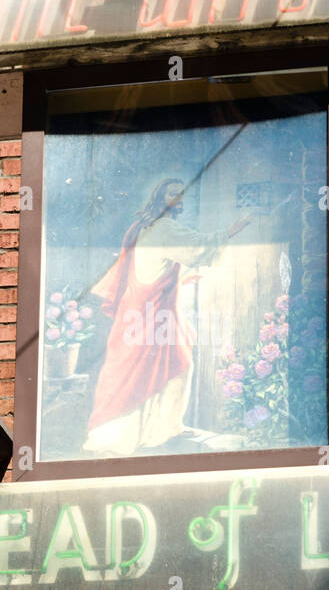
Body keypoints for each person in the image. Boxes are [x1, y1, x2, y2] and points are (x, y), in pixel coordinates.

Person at [83, 178, 246, 457]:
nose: (178, 195)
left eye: (181, 191)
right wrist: (233, 229)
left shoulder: (143, 228)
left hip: (140, 310)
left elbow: (156, 268)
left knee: (165, 364)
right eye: (172, 191)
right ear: (160, 197)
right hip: (149, 313)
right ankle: (150, 431)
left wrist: (181, 277)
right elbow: (202, 248)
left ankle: (158, 430)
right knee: (173, 364)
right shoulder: (165, 229)